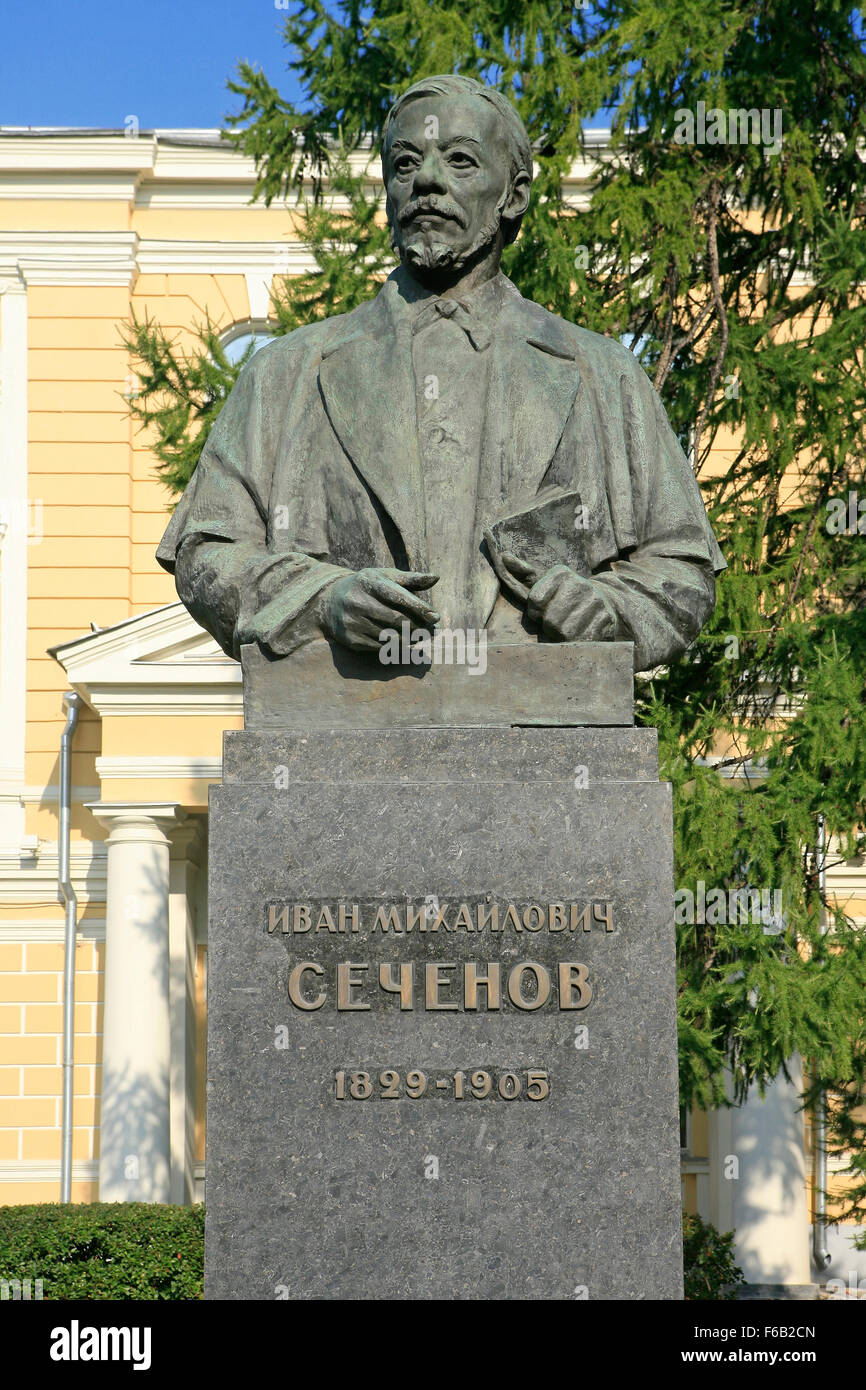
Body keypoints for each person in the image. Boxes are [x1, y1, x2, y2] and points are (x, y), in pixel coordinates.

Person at [157, 74, 724, 672]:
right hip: (349, 720)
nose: (426, 179)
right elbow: (209, 553)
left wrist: (608, 610)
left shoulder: (605, 376)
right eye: (405, 164)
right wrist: (322, 601)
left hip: (542, 720)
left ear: (515, 194)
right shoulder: (283, 375)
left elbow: (681, 570)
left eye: (459, 160)